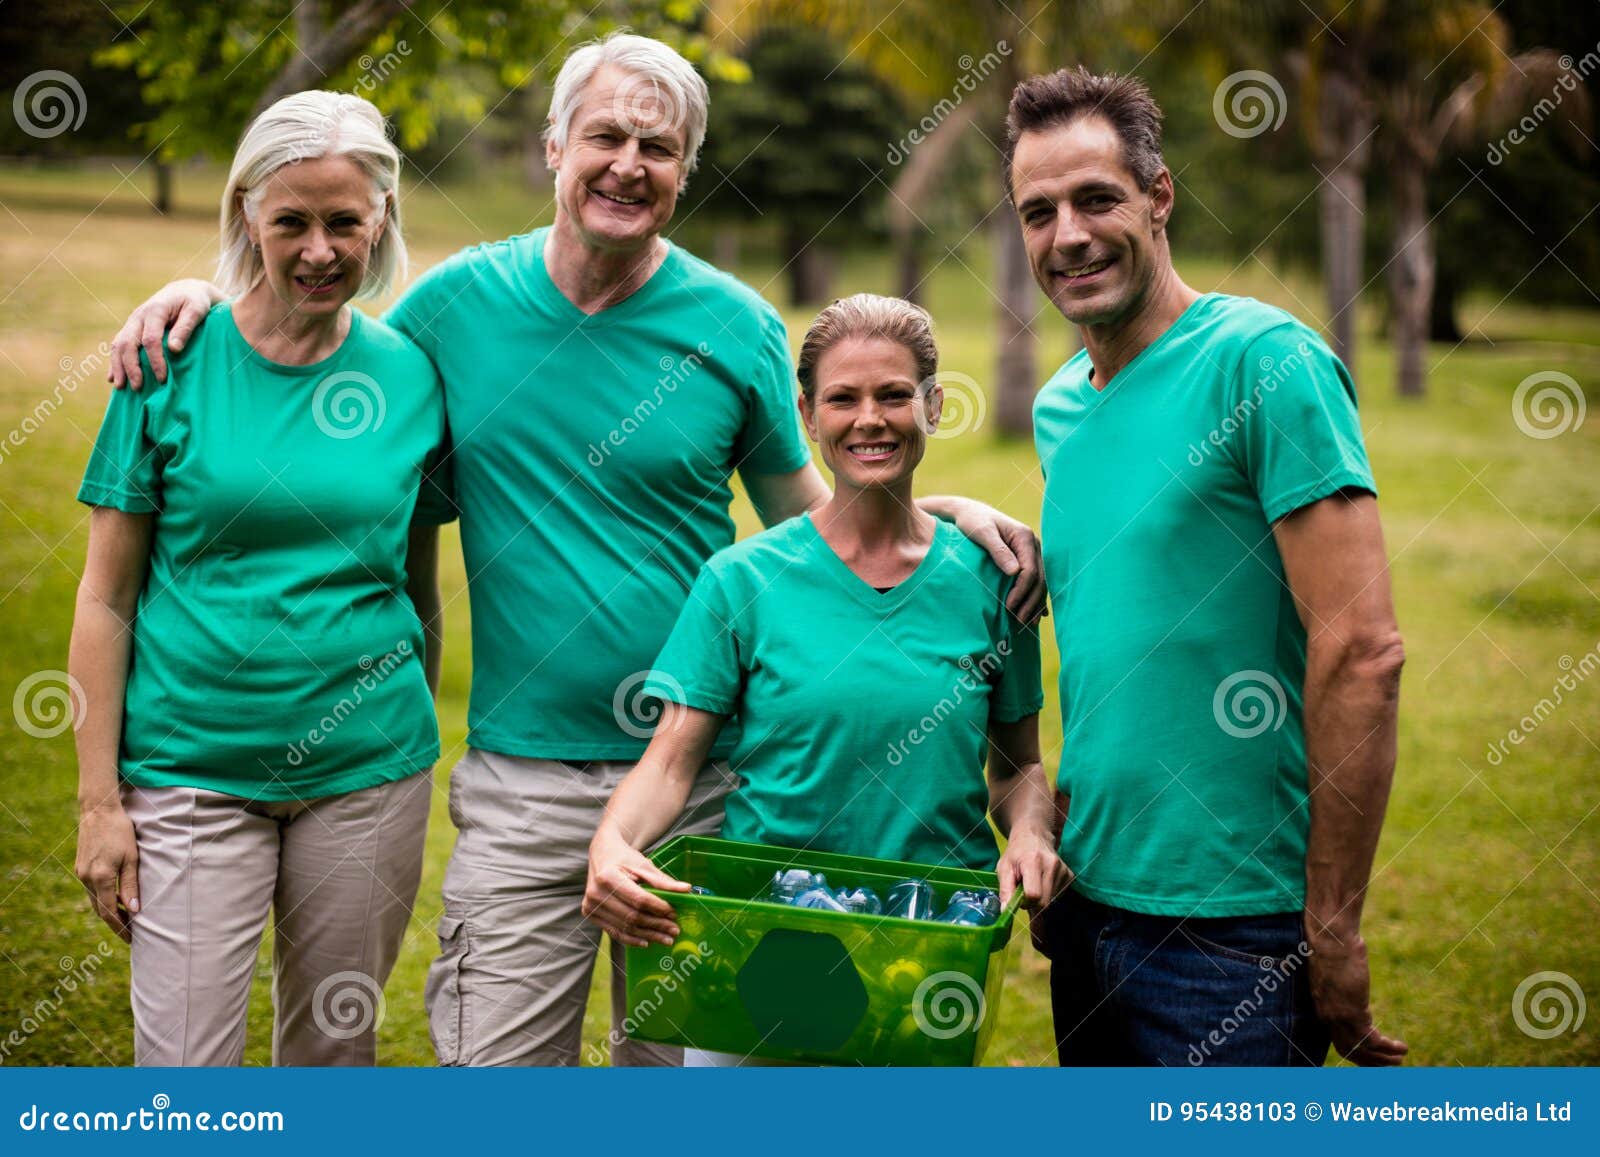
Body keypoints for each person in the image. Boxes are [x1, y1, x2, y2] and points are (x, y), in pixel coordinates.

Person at [104, 34, 1044, 1068]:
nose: (628, 164)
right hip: (522, 784)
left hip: (702, 786)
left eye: (660, 145)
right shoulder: (451, 310)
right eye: (605, 135)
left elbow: (818, 521)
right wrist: (191, 294)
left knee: (675, 1084)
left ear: (687, 168)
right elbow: (308, 306)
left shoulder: (732, 324)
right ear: (554, 144)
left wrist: (936, 508)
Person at [1007, 67, 1409, 1066]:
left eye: (1097, 198)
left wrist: (1334, 923)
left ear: (1158, 195)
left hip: (1233, 935)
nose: (1068, 236)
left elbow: (1361, 648)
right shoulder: (1061, 403)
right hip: (1086, 904)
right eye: (1038, 211)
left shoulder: (1265, 362)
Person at [583, 294, 1067, 1064]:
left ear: (934, 405)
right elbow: (669, 764)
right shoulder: (740, 580)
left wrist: (1033, 834)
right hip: (767, 943)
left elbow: (1018, 767)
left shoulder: (991, 578)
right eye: (843, 398)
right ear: (808, 414)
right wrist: (612, 842)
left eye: (894, 394)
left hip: (931, 950)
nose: (869, 418)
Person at [70, 91, 447, 1066]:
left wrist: (408, 721)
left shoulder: (412, 376)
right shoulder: (165, 361)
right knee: (185, 1074)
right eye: (291, 221)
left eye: (345, 223)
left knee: (332, 1062)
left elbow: (417, 581)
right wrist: (98, 800)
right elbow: (105, 596)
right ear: (247, 215)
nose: (320, 249)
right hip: (191, 772)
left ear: (382, 222)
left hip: (368, 772)